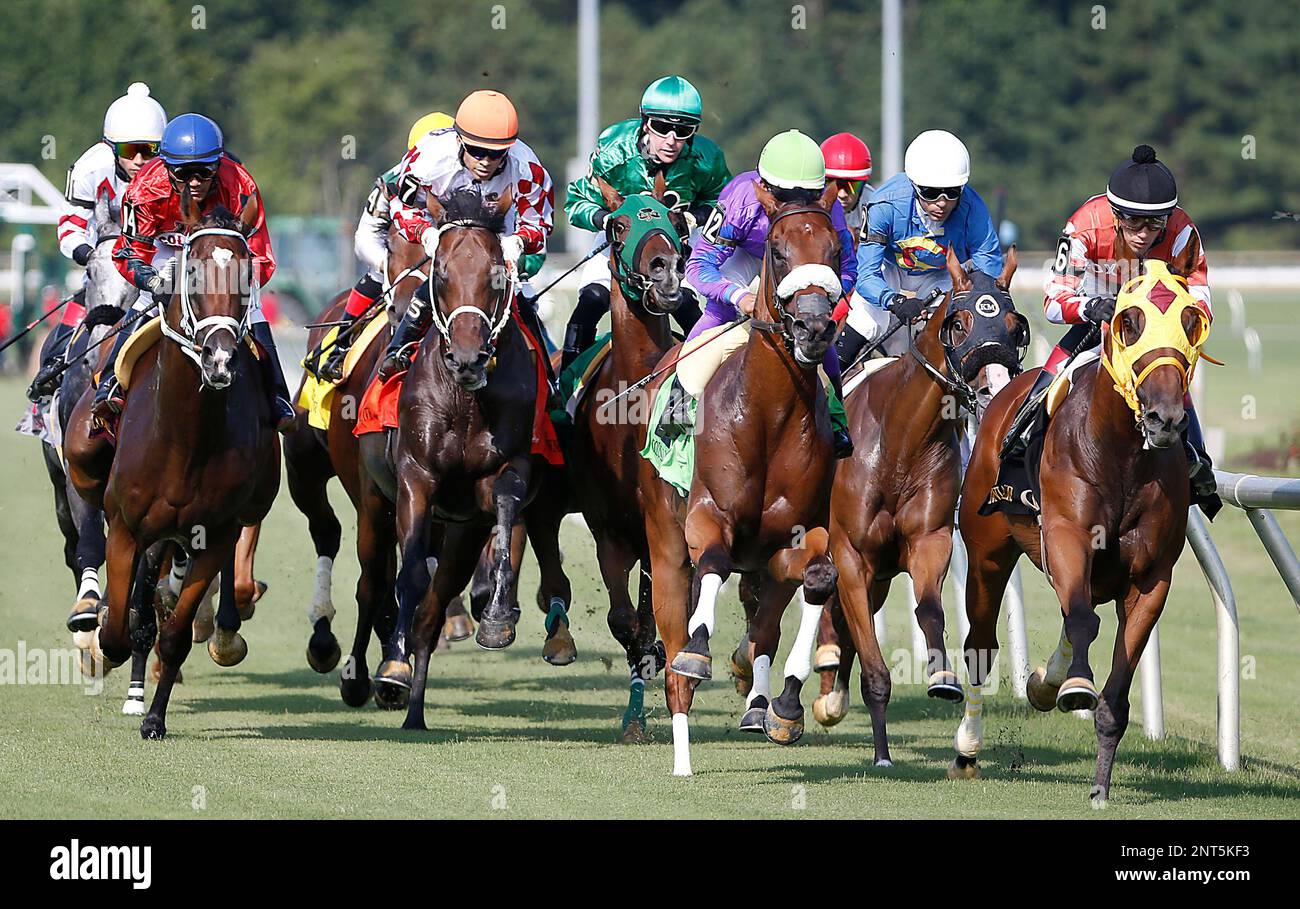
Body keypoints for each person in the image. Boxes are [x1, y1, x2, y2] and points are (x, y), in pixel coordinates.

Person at [1007, 144, 1215, 495]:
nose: (1144, 233)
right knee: (1052, 375)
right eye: (1133, 220)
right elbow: (1053, 302)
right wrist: (1089, 308)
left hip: (1155, 325)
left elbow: (1201, 293)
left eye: (1154, 223)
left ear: (1169, 216)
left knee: (1171, 377)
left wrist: (1183, 324)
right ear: (1115, 214)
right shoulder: (1084, 224)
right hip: (1098, 315)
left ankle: (1197, 463)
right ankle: (1021, 442)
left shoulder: (1182, 230)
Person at [90, 112, 296, 433]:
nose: (195, 181)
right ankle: (112, 385)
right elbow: (128, 253)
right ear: (166, 167)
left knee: (252, 302)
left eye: (204, 171)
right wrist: (152, 281)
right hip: (164, 249)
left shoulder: (240, 186)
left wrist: (233, 284)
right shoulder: (144, 189)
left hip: (221, 256)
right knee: (146, 299)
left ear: (219, 164)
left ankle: (278, 395)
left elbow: (260, 256)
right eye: (184, 173)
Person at [684, 129, 856, 457]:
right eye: (784, 195)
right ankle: (675, 407)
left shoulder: (827, 207)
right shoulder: (740, 197)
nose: (794, 205)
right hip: (746, 256)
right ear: (764, 188)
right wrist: (738, 297)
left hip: (798, 262)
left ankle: (837, 419)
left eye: (806, 196)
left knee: (820, 331)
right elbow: (699, 265)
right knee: (717, 313)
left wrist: (823, 296)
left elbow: (848, 269)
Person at [376, 90, 556, 385]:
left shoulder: (529, 169)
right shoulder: (428, 159)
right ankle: (397, 351)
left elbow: (539, 223)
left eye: (497, 154)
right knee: (439, 282)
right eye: (477, 151)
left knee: (520, 298)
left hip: (501, 231)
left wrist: (520, 241)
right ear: (459, 140)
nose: (486, 161)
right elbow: (401, 205)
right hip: (446, 228)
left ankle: (549, 380)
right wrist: (426, 234)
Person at [560, 75, 730, 372]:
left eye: (683, 130)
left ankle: (701, 394)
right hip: (619, 251)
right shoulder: (614, 151)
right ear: (645, 123)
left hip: (675, 255)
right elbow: (575, 203)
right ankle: (565, 396)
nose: (672, 139)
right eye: (663, 127)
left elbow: (723, 202)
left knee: (689, 309)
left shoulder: (706, 159)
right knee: (589, 304)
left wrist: (696, 217)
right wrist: (605, 219)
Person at [27, 83, 167, 402]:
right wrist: (92, 256)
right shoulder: (91, 167)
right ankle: (53, 372)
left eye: (150, 149)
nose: (141, 159)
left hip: (153, 267)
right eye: (131, 150)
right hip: (103, 265)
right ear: (110, 146)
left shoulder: (172, 173)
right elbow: (70, 227)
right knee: (86, 303)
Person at [836, 129, 1002, 365]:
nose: (942, 202)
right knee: (868, 320)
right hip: (890, 266)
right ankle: (829, 389)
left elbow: (988, 277)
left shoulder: (974, 210)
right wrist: (895, 301)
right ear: (914, 185)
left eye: (952, 192)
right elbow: (867, 276)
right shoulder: (883, 205)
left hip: (942, 273)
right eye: (931, 192)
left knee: (962, 325)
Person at [820, 131, 873, 240]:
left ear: (863, 186)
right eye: (834, 185)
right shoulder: (806, 206)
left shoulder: (875, 206)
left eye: (851, 186)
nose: (842, 194)